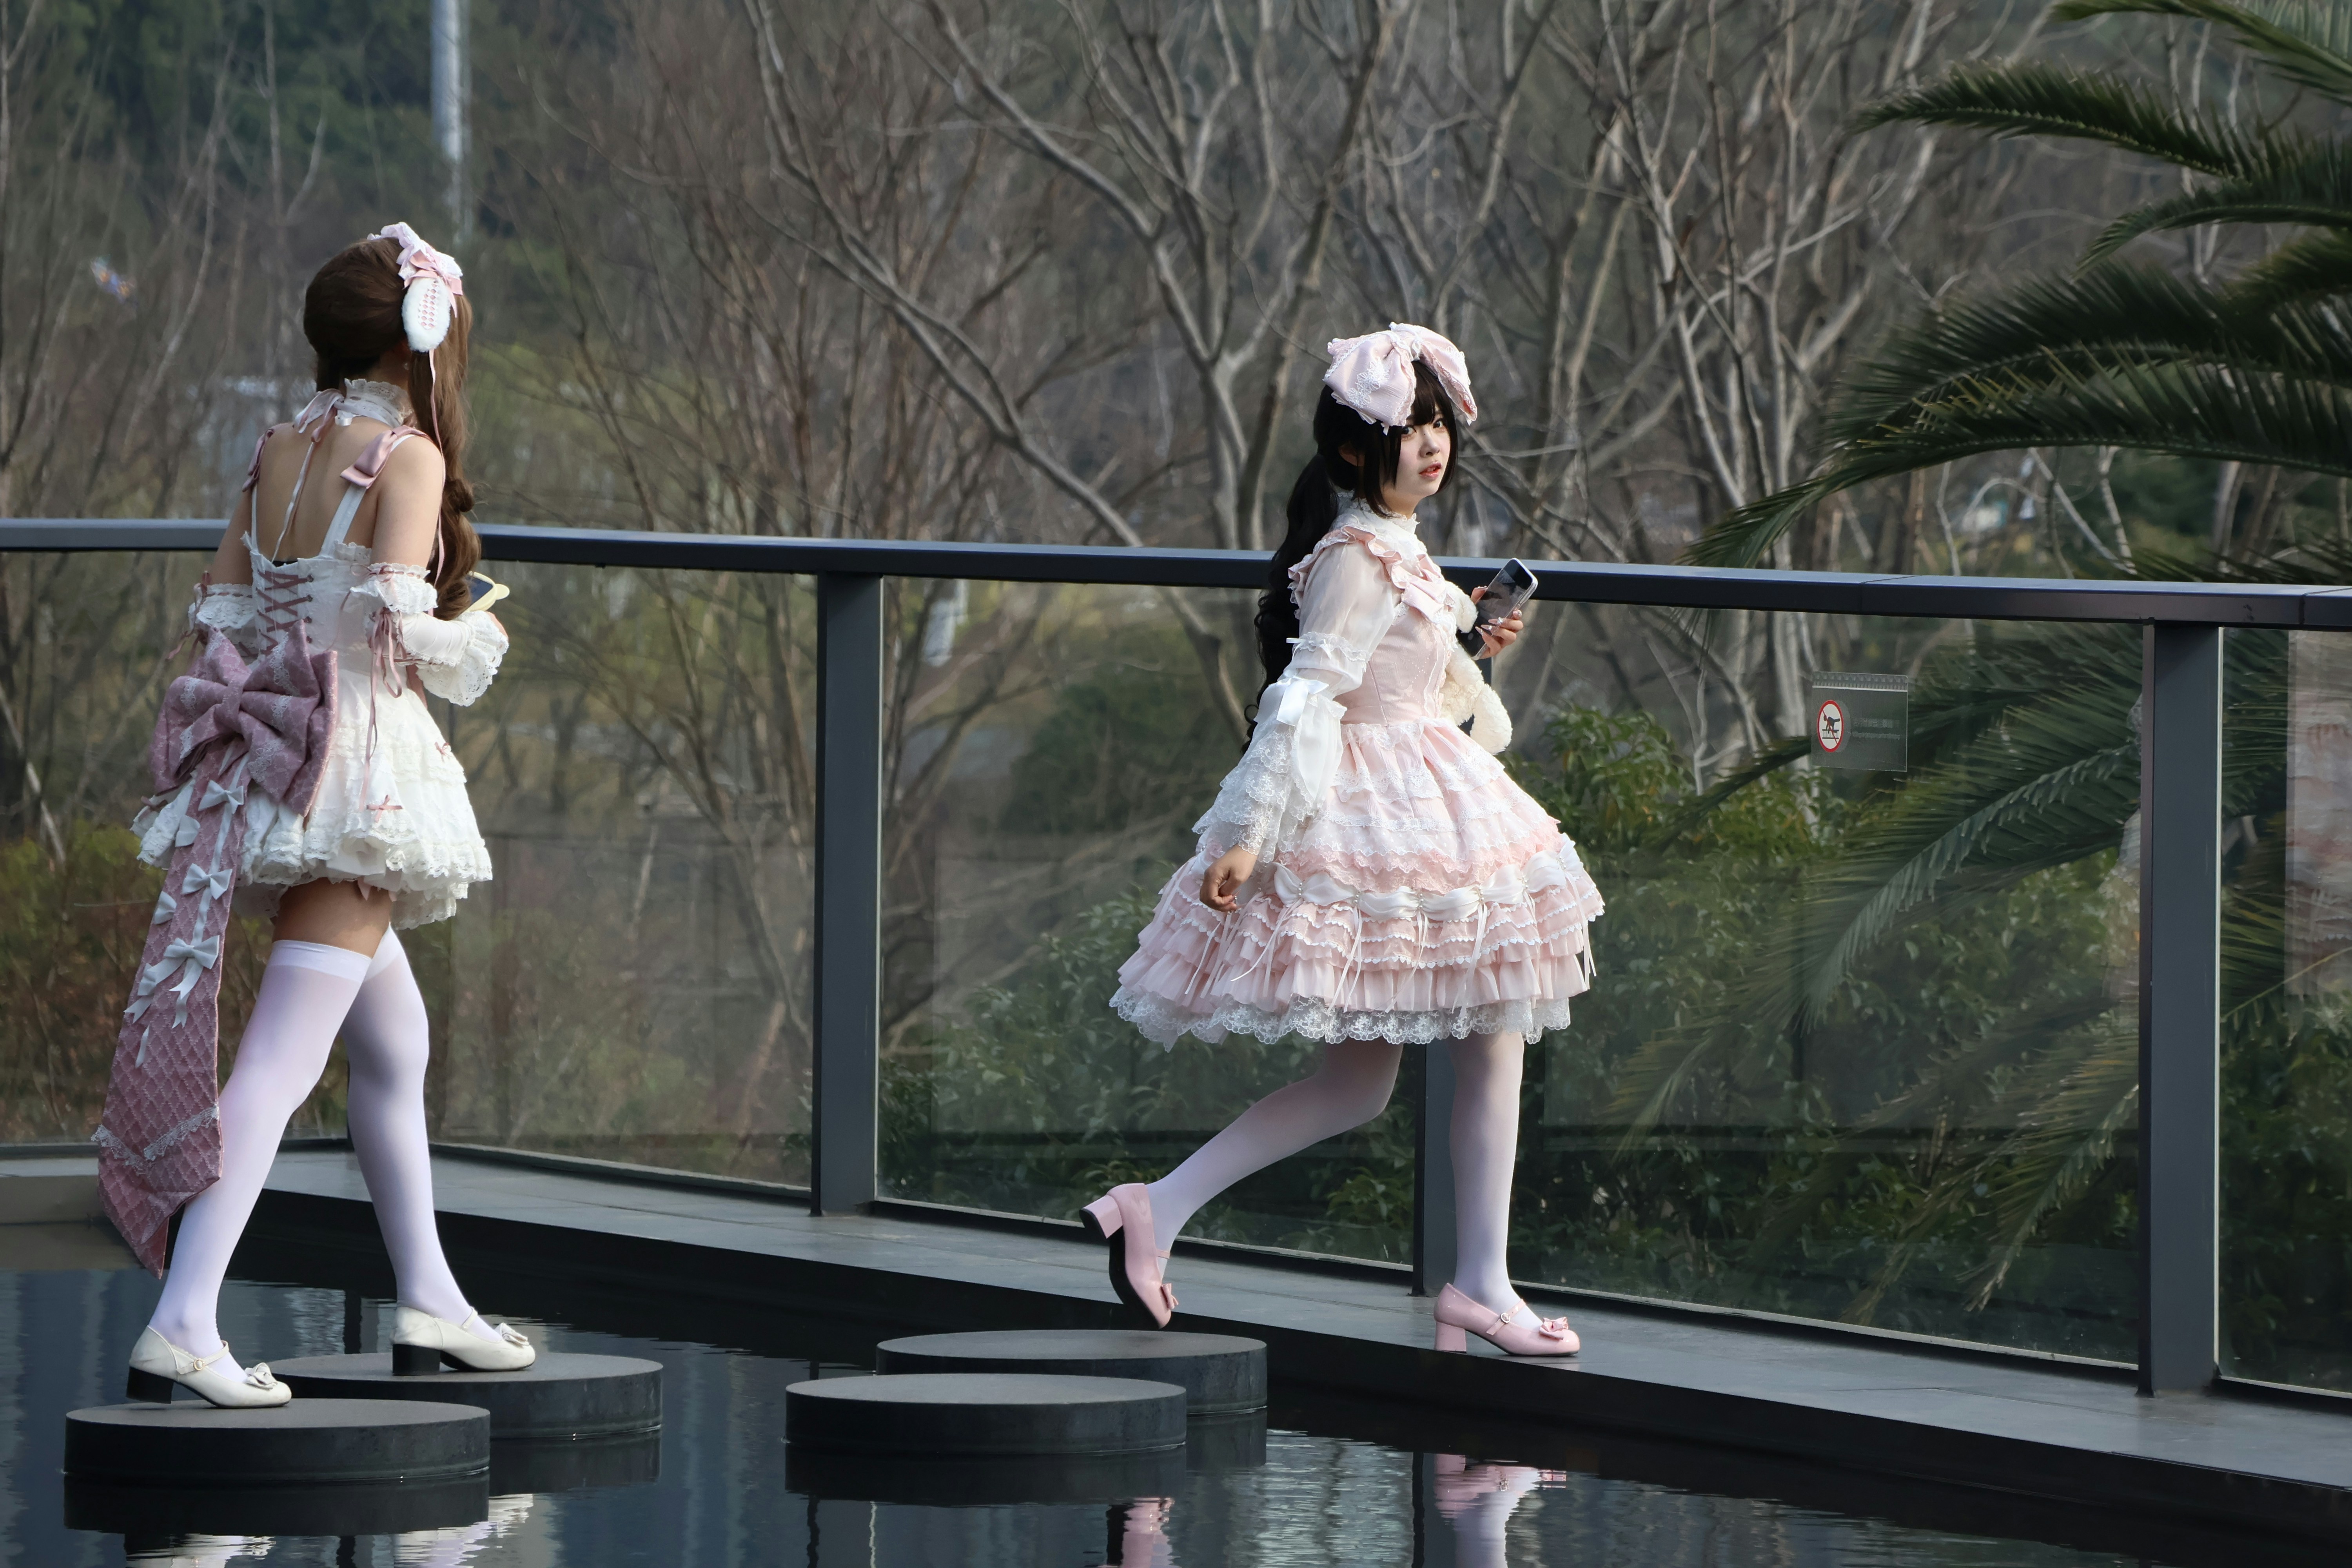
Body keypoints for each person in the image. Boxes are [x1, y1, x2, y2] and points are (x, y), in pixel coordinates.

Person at [1092, 324, 1604, 1356]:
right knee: (1418, 1062)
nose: (1431, 443)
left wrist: (1474, 632)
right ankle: (1475, 1282)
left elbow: (1407, 659)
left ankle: (1171, 1211)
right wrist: (1246, 831)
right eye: (1407, 427)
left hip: (1417, 796)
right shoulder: (1357, 555)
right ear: (1351, 452)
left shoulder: (1394, 547)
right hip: (1379, 809)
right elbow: (1309, 693)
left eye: (1436, 423)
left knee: (1394, 1072)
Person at [96, 223, 534, 1409]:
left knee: (396, 1045)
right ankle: (185, 1318)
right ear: (423, 335)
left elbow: (226, 610)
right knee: (279, 1070)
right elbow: (399, 625)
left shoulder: (280, 443)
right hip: (356, 779)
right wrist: (477, 633)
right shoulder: (407, 456)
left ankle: (433, 1299)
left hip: (278, 762)